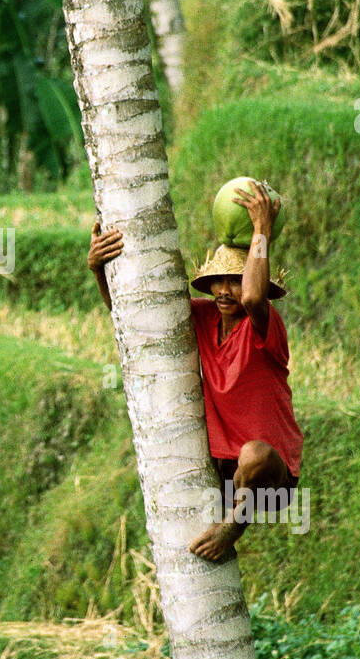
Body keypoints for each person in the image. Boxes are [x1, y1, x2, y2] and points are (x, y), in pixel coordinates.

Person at [87, 179, 302, 562]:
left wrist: (261, 230)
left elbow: (252, 296)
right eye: (217, 281)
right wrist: (99, 271)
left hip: (269, 479)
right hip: (218, 471)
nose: (223, 290)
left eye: (234, 281)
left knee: (255, 454)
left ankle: (233, 527)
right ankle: (225, 514)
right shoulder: (202, 318)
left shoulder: (265, 326)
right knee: (241, 458)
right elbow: (135, 321)